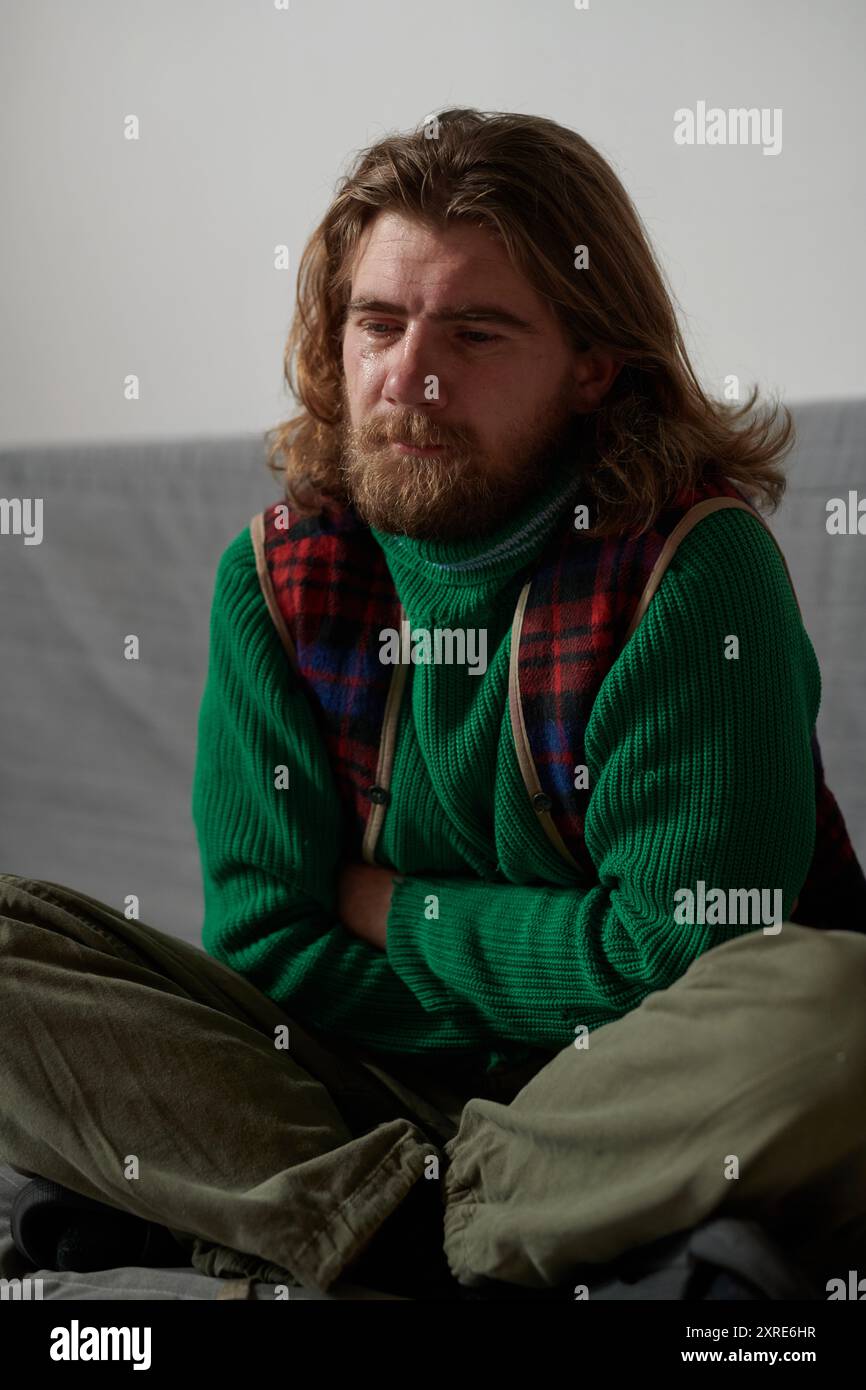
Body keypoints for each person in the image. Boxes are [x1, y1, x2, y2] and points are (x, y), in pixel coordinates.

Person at [3, 108, 866, 1302]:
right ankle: (466, 1218)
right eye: (377, 323)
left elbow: (686, 953)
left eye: (474, 331)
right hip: (356, 1082)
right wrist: (537, 967)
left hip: (630, 1085)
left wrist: (392, 909)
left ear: (590, 368)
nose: (409, 374)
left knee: (837, 1010)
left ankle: (321, 1216)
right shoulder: (274, 578)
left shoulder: (690, 570)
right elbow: (271, 948)